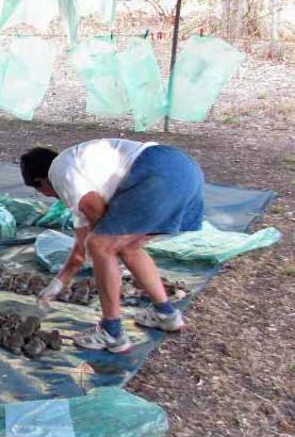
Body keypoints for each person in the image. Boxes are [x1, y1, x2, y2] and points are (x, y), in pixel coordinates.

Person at [20, 139, 204, 353]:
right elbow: (81, 249)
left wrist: (106, 258)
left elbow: (98, 219)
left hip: (157, 172)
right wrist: (58, 283)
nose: (47, 196)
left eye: (40, 191)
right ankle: (167, 315)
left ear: (40, 181)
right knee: (128, 248)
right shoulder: (80, 175)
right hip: (185, 171)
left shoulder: (60, 171)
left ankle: (112, 333)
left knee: (101, 245)